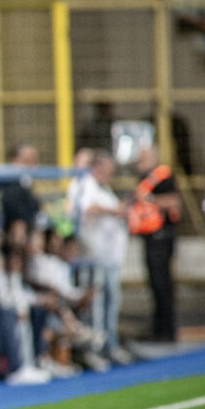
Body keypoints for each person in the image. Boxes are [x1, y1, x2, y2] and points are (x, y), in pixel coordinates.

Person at [70, 151, 131, 365]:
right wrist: (115, 210)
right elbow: (88, 209)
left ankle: (109, 344)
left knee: (110, 301)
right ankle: (94, 348)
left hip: (108, 256)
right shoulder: (85, 185)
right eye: (107, 171)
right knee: (95, 302)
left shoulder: (103, 188)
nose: (110, 175)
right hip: (92, 256)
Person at [130, 147, 180, 341]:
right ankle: (159, 328)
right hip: (150, 238)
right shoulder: (145, 179)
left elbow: (174, 202)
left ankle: (166, 330)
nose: (139, 162)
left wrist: (149, 199)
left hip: (161, 237)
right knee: (155, 284)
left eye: (142, 158)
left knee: (162, 284)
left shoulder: (163, 177)